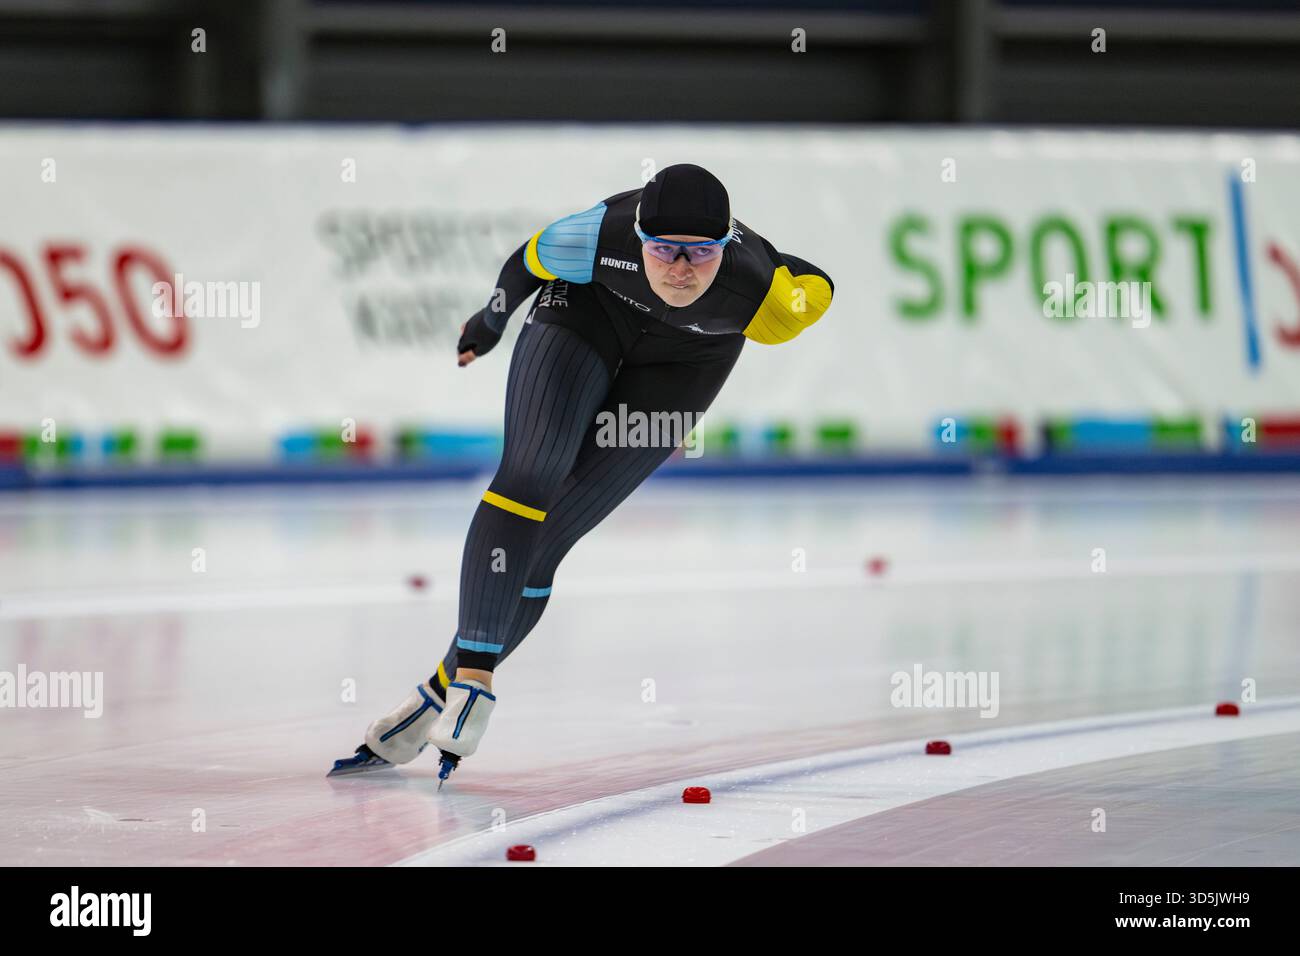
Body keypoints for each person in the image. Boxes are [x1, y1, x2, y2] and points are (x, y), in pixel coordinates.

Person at [329, 163, 834, 783]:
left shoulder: (765, 301)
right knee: (530, 474)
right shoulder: (598, 237)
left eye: (699, 253)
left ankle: (434, 695)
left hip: (687, 359)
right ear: (640, 238)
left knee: (552, 535)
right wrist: (489, 323)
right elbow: (523, 264)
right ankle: (476, 681)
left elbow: (816, 281)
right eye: (663, 249)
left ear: (725, 246)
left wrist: (800, 287)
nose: (679, 268)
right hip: (587, 315)